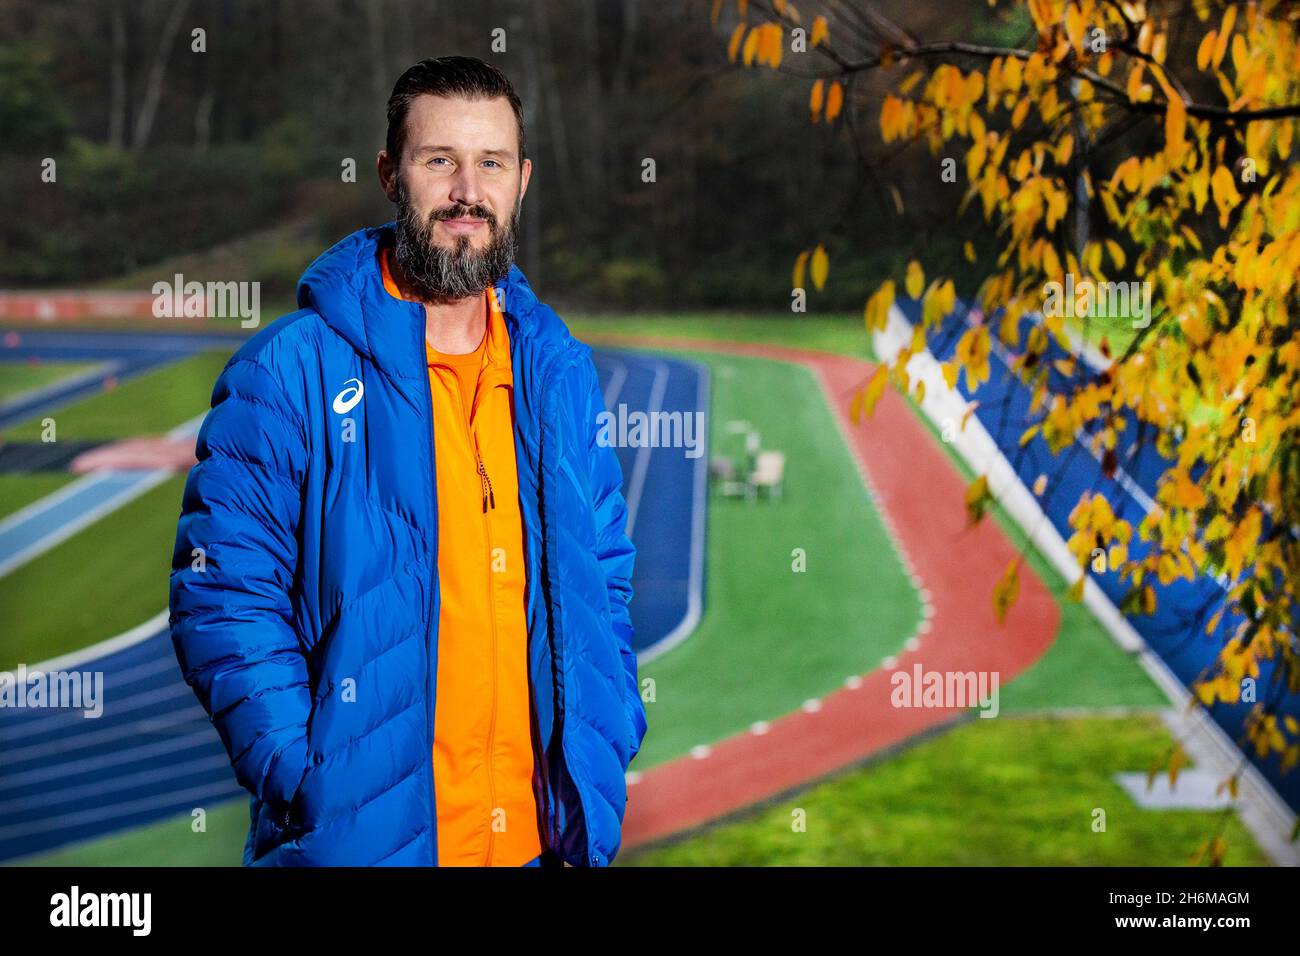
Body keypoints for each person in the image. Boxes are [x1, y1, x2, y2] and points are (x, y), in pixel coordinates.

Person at [168, 55, 647, 867]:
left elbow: (605, 573)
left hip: (544, 848)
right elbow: (223, 598)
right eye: (440, 161)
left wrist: (610, 729)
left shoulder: (557, 373)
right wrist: (311, 779)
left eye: (490, 163)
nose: (467, 190)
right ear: (392, 174)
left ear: (521, 179)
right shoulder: (290, 371)